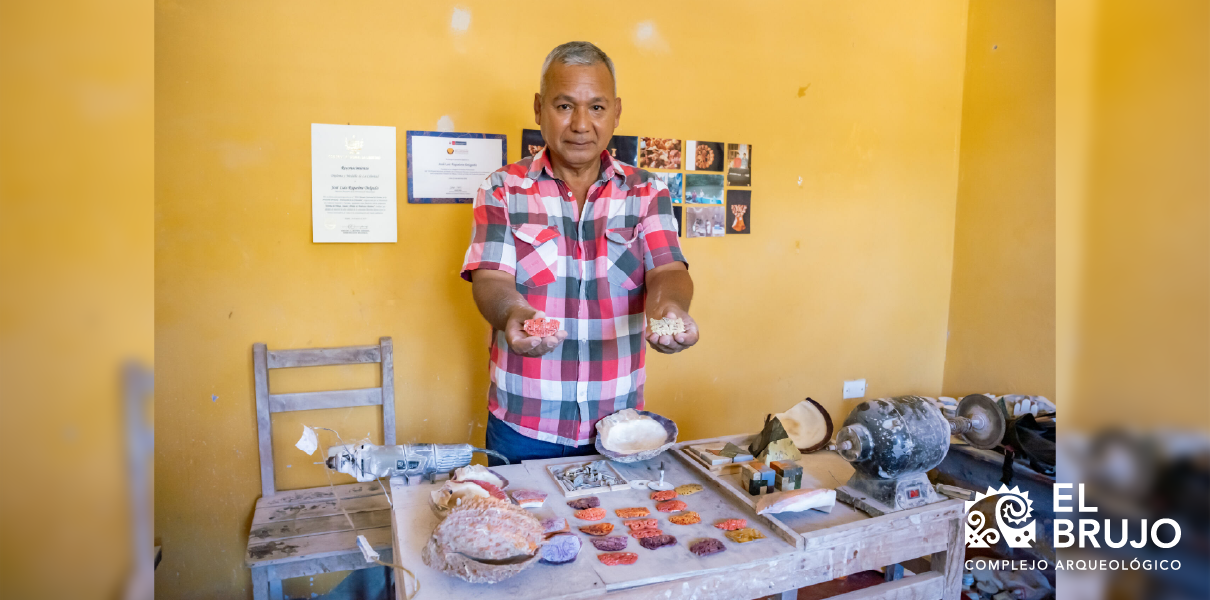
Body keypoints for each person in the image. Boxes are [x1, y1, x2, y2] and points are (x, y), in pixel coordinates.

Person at [460, 41, 699, 466]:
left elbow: (667, 268)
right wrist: (514, 313)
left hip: (621, 426)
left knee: (623, 533)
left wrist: (670, 309)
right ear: (538, 109)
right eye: (565, 106)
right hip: (524, 425)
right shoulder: (502, 188)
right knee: (524, 532)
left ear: (616, 113)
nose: (581, 125)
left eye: (597, 108)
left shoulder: (647, 191)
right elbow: (491, 279)